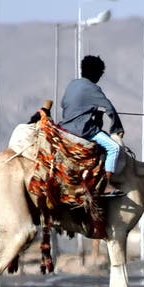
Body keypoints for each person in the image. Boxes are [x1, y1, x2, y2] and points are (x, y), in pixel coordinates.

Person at [59, 55, 125, 194]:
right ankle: (106, 185)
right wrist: (117, 128)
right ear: (96, 73)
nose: (100, 77)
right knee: (114, 148)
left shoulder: (72, 84)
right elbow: (110, 109)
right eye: (100, 74)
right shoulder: (93, 88)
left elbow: (64, 104)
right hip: (83, 130)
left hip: (64, 128)